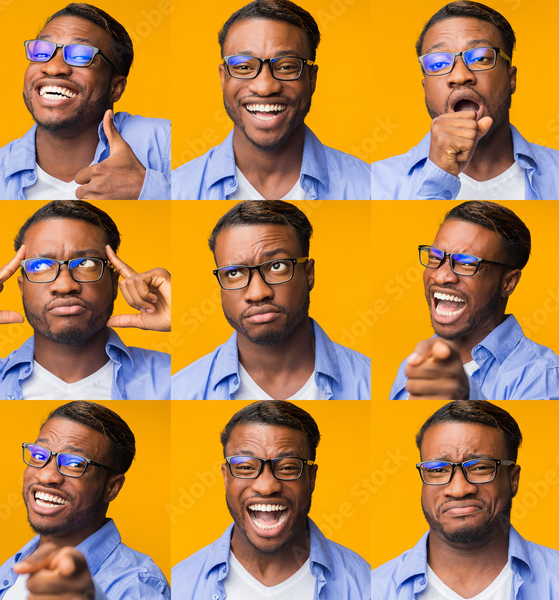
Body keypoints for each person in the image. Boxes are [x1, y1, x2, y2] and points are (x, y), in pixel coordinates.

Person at [0, 200, 171, 400]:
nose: (65, 285)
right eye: (40, 265)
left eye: (86, 263)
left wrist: (175, 316)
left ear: (113, 282)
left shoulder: (169, 379)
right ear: (22, 288)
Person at [172, 0, 370, 200]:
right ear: (223, 78)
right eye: (243, 67)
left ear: (311, 79)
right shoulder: (177, 190)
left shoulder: (367, 187)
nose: (265, 87)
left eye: (286, 66)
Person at [372, 1, 559, 200]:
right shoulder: (377, 183)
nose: (459, 76)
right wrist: (439, 173)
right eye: (438, 63)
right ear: (425, 88)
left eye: (480, 58)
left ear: (511, 80)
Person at [172, 200, 370, 399]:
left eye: (277, 266)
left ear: (309, 274)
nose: (257, 293)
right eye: (234, 273)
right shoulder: (181, 391)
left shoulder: (368, 381)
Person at [173, 400, 369, 599]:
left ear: (311, 478)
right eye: (246, 467)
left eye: (287, 467)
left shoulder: (364, 584)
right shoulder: (180, 584)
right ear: (226, 476)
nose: (266, 487)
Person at [0, 3, 170, 200]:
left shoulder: (164, 143)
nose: (53, 68)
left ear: (115, 88)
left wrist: (146, 188)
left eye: (80, 55)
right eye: (41, 52)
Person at [373, 401, 559, 599]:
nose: (459, 490)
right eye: (438, 470)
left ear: (513, 480)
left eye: (480, 467)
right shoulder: (374, 589)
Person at [0, 401, 169, 599]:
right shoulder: (12, 568)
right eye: (39, 454)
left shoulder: (138, 584)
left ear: (111, 487)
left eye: (74, 464)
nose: (46, 476)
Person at [390, 201, 559, 400]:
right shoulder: (410, 367)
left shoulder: (542, 377)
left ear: (508, 283)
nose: (441, 276)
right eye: (434, 257)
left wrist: (465, 394)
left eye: (466, 263)